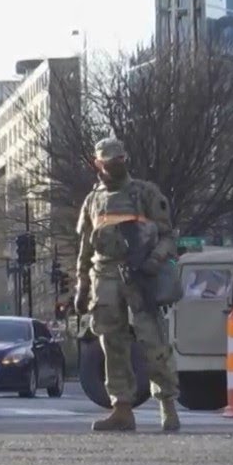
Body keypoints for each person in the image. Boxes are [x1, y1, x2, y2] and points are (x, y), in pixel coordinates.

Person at [74, 137, 181, 432]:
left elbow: (168, 236)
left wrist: (155, 260)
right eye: (110, 162)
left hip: (139, 274)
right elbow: (85, 247)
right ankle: (121, 407)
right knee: (112, 344)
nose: (116, 166)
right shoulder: (92, 200)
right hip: (104, 275)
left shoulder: (145, 193)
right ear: (98, 164)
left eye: (120, 160)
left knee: (152, 339)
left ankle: (167, 403)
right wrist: (81, 286)